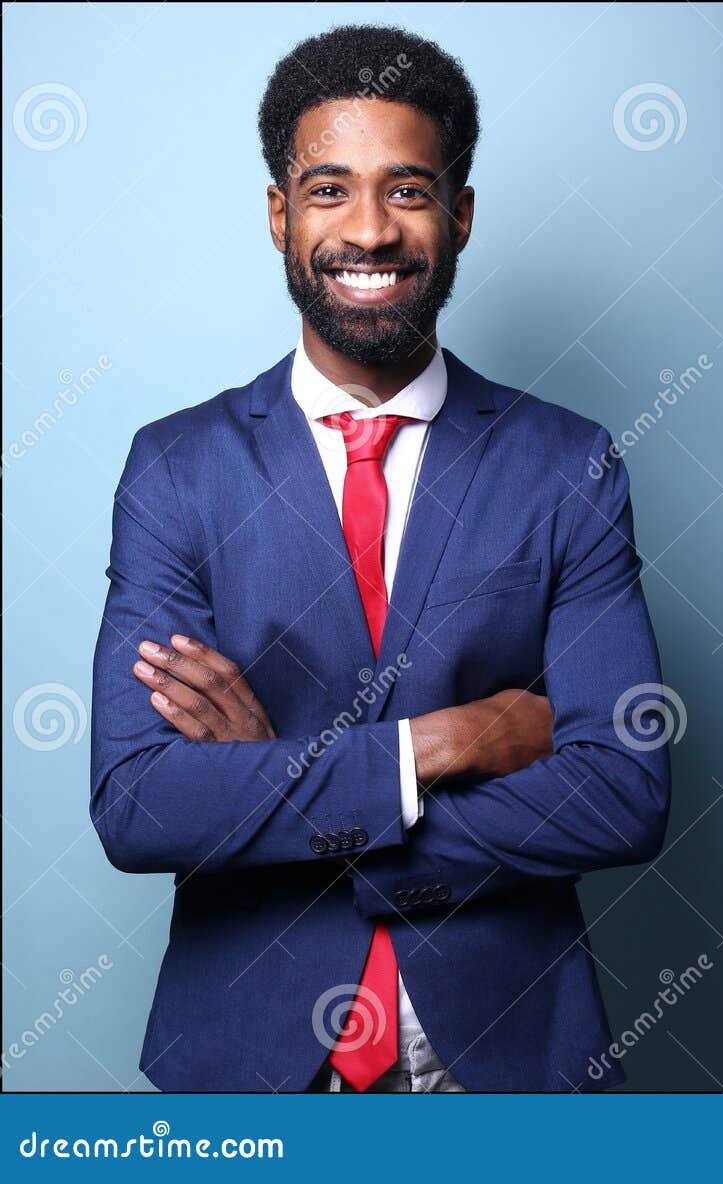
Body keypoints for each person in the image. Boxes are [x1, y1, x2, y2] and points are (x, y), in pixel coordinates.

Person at [89, 24, 670, 1092]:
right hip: (246, 1057)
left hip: (509, 1052)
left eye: (407, 192)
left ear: (458, 215)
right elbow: (139, 802)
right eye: (328, 191)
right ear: (278, 214)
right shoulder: (175, 469)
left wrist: (277, 789)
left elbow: (624, 792)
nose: (369, 231)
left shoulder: (567, 465)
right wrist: (445, 742)